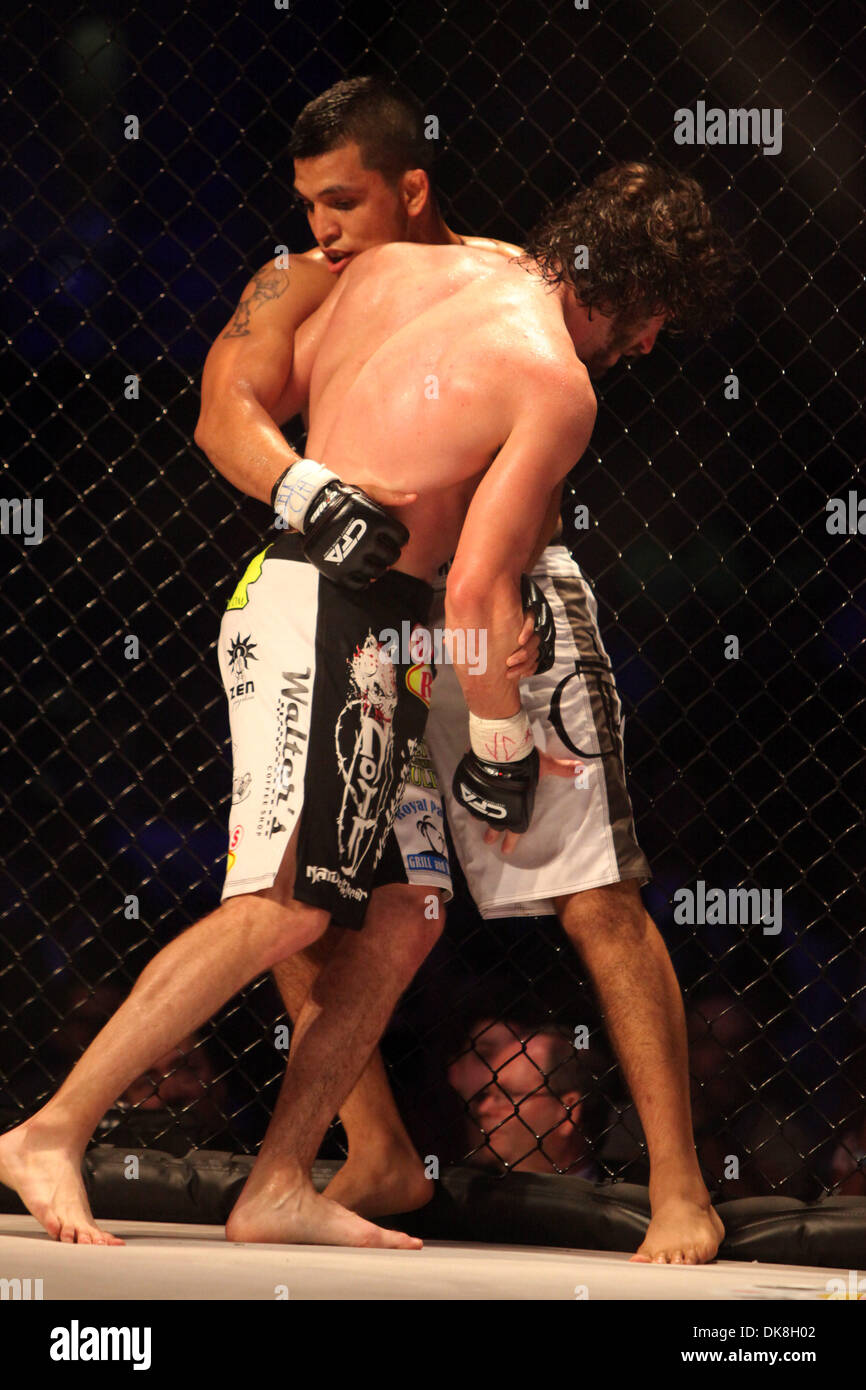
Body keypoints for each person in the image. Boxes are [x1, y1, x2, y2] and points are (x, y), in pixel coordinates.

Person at [195, 78, 740, 1263]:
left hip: (502, 609)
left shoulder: (502, 280)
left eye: (343, 200)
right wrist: (306, 487)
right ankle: (363, 1147)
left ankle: (677, 1187)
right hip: (365, 612)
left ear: (410, 185)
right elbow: (224, 405)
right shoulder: (297, 283)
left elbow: (501, 549)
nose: (324, 227)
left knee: (592, 889)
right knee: (316, 888)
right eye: (308, 203)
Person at [447, 1018, 600, 1178]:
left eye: (506, 1094)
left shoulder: (617, 1197)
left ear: (567, 1109)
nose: (483, 1109)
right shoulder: (465, 1190)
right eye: (488, 1095)